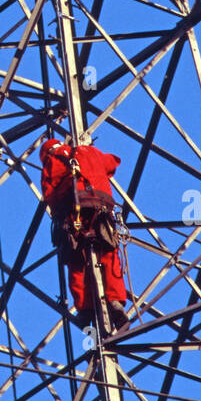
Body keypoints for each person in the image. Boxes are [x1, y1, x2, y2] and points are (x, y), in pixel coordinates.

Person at [40, 137, 130, 333]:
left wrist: (59, 214)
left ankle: (85, 308)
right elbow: (112, 162)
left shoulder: (50, 162)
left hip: (72, 212)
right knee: (108, 252)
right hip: (101, 208)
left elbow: (50, 195)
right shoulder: (89, 152)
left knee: (76, 260)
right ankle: (115, 301)